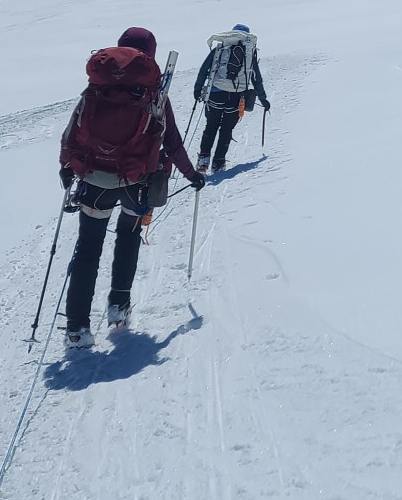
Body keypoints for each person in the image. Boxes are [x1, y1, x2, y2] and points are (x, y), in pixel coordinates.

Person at [57, 26, 203, 348]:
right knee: (128, 238)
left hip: (93, 181)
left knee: (88, 249)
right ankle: (118, 307)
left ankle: (77, 328)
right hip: (135, 185)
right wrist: (192, 176)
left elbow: (71, 133)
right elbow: (173, 143)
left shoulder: (95, 90)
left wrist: (66, 168)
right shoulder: (154, 95)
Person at [193, 23, 270, 174]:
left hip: (215, 94)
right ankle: (219, 163)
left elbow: (204, 70)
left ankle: (203, 161)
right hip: (236, 97)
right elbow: (256, 79)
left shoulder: (221, 49)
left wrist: (198, 89)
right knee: (226, 130)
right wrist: (263, 99)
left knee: (211, 126)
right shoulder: (249, 53)